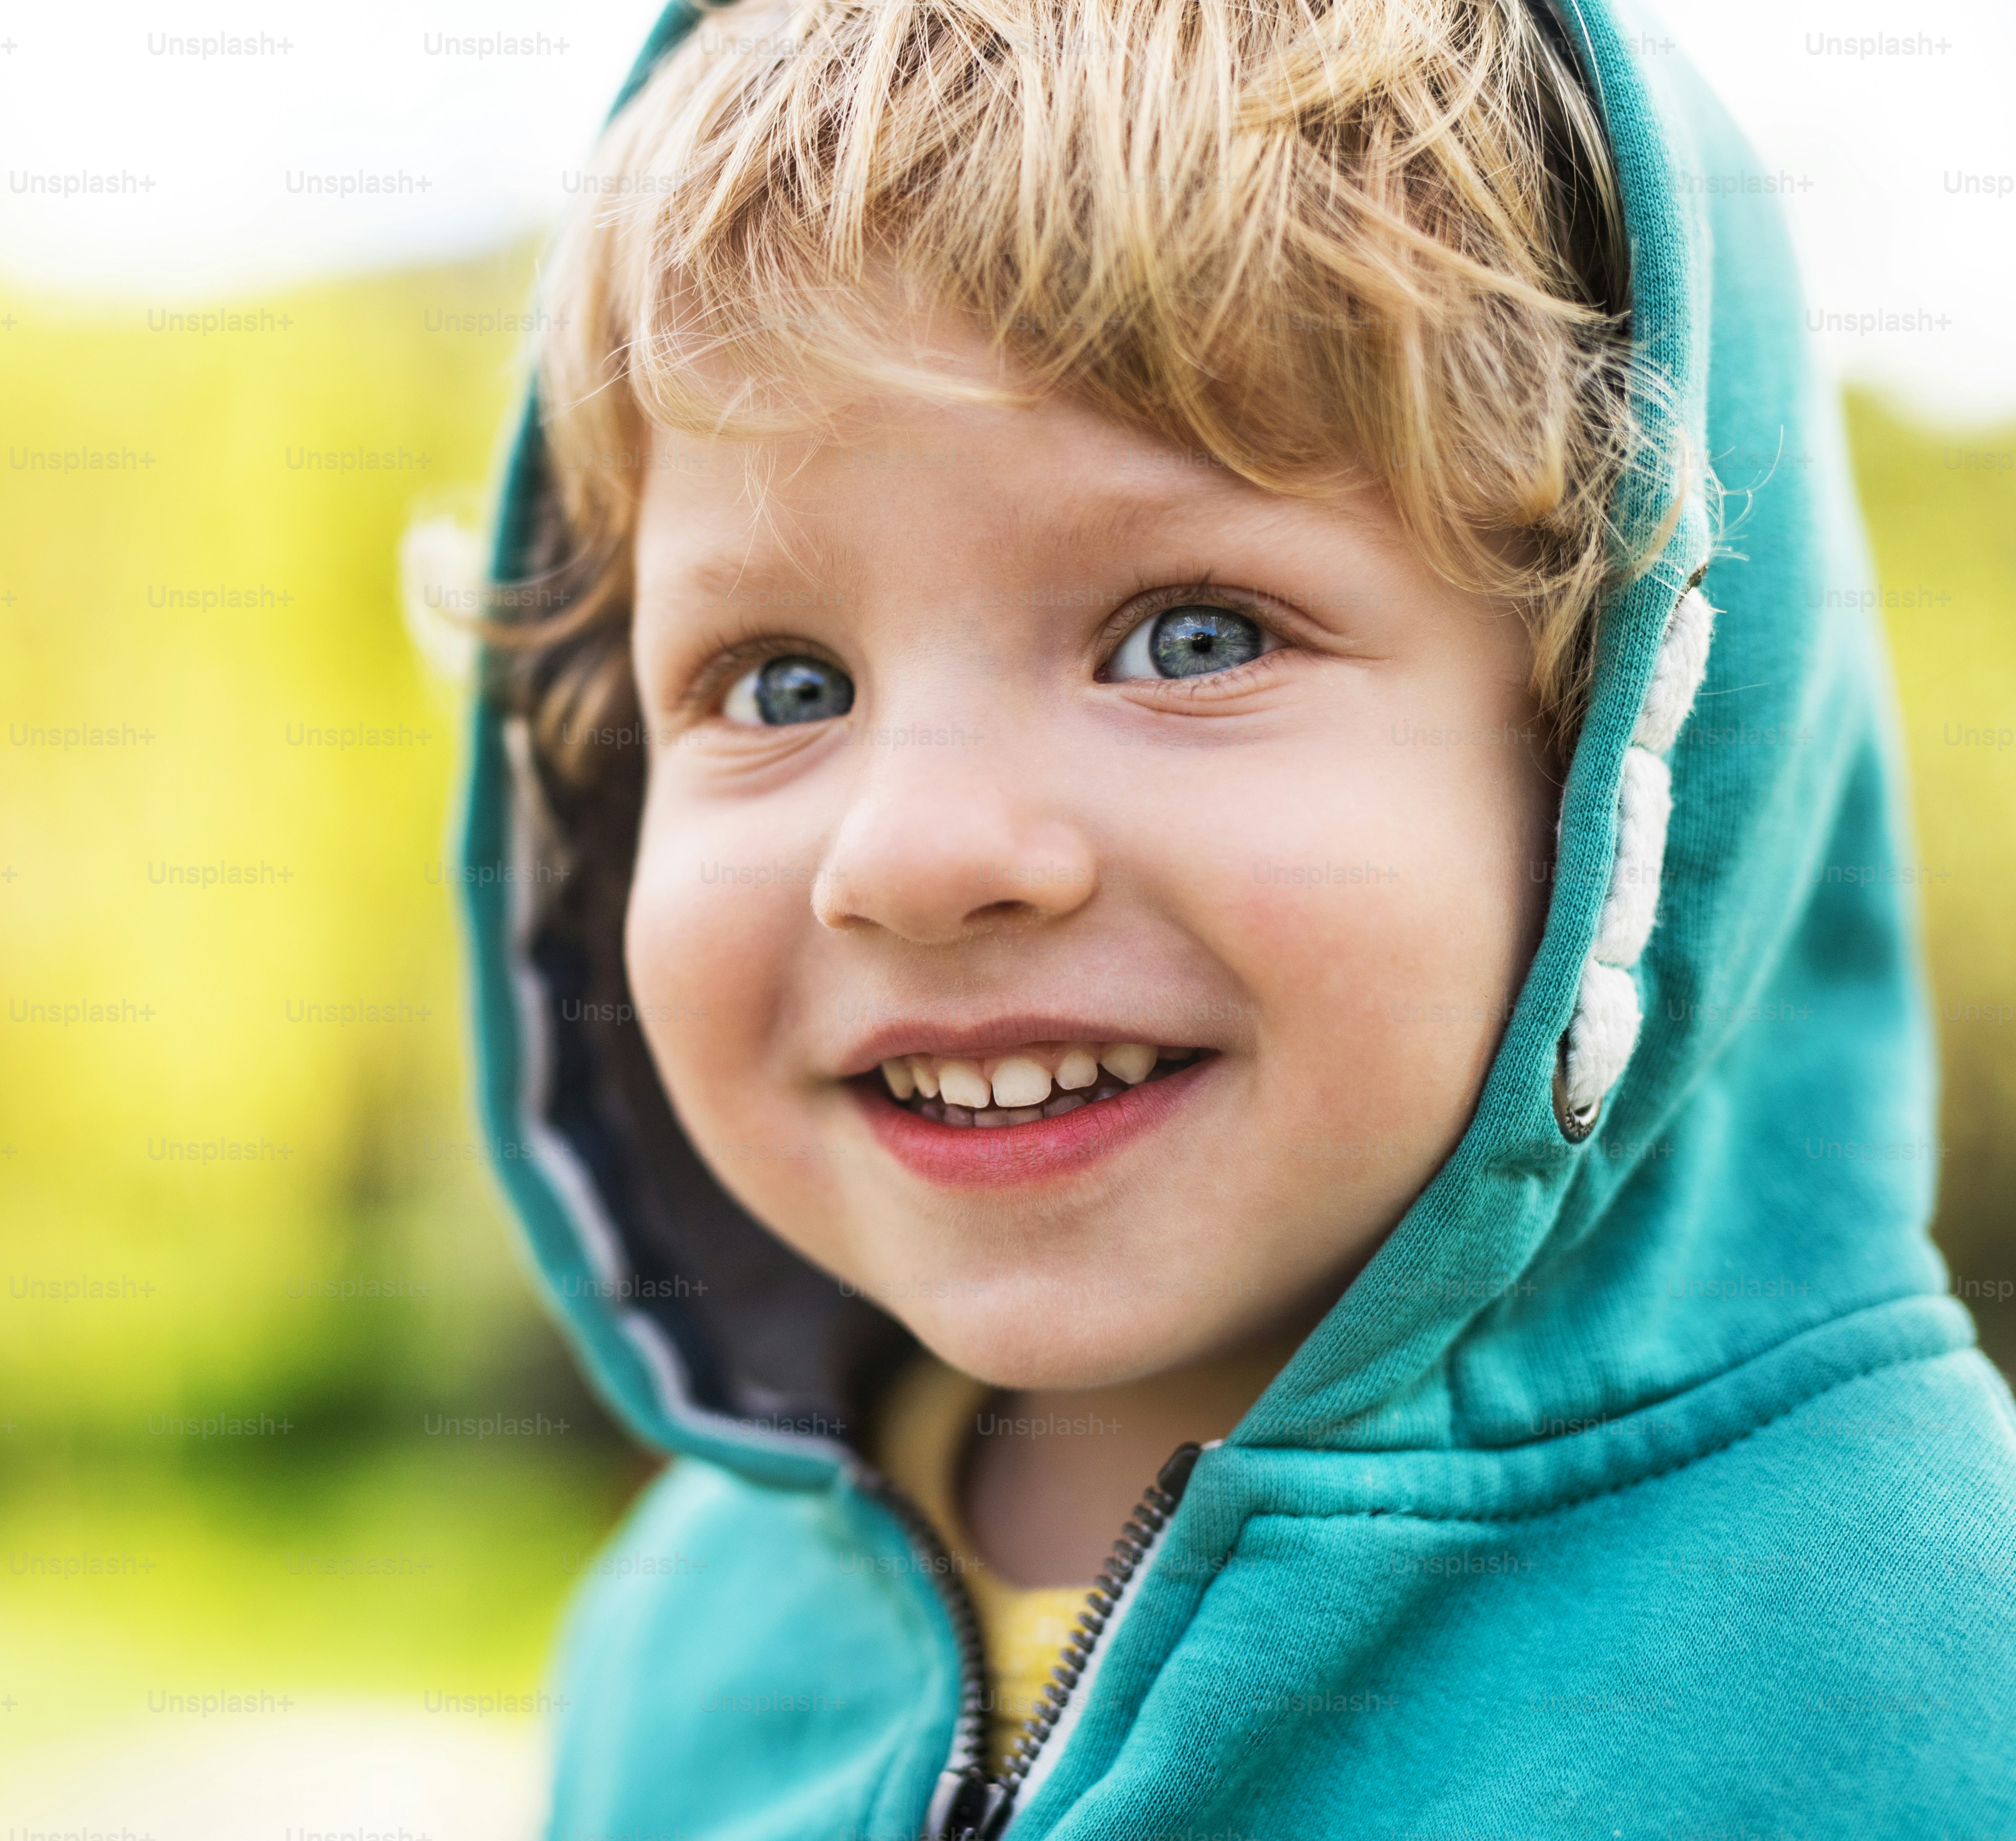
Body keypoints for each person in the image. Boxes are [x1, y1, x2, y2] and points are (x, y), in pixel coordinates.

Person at [450, 0, 2016, 1833]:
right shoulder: (686, 1636)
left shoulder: (1906, 1666)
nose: (915, 851)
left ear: (1621, 758)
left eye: (1192, 637)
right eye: (784, 684)